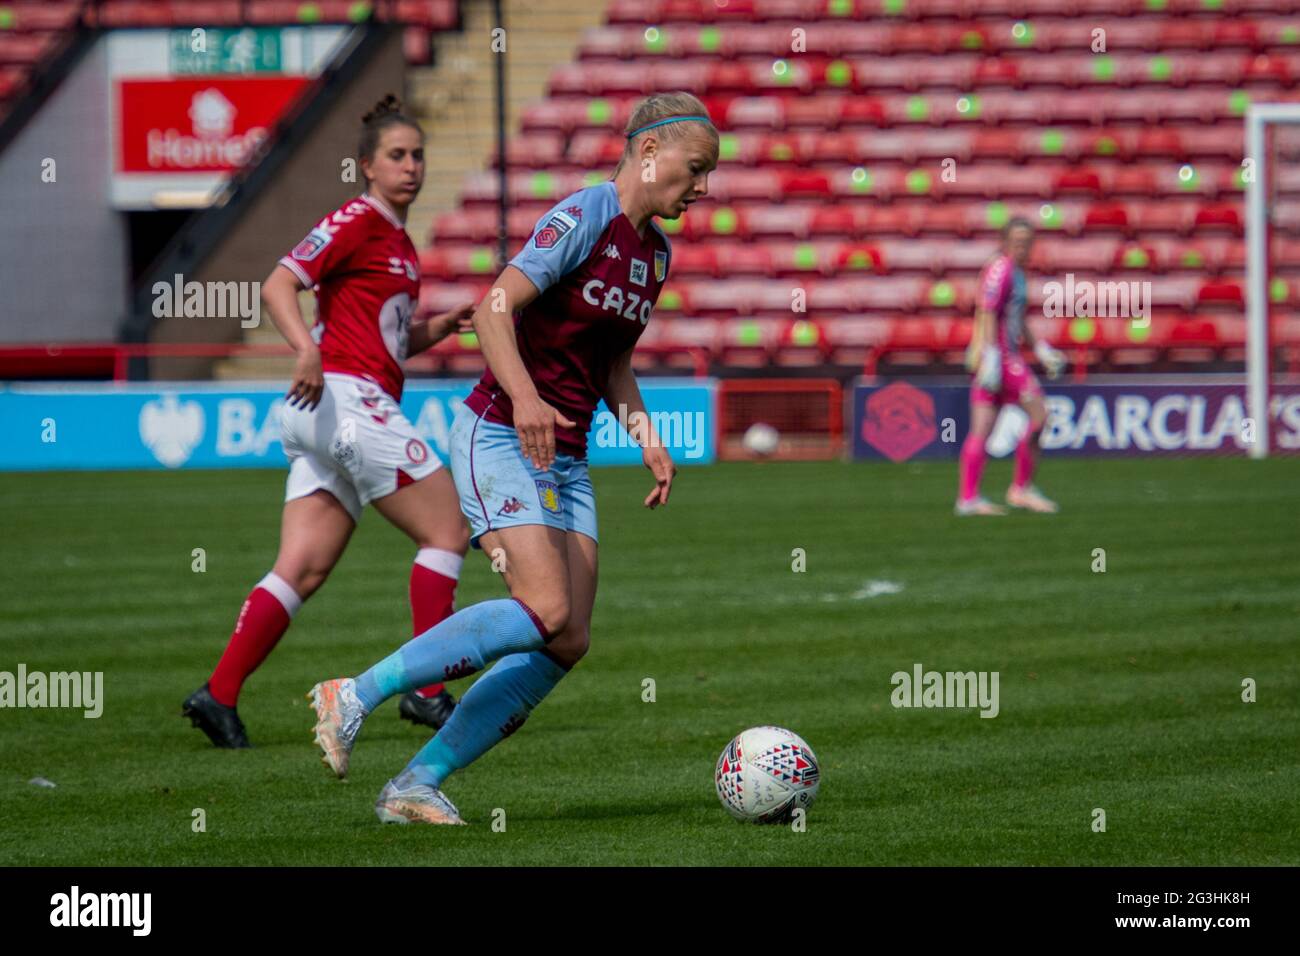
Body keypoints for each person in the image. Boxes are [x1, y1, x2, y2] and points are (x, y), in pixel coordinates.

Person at [306, 91, 719, 825]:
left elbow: (614, 361)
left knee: (569, 638)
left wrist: (649, 439)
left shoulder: (654, 255)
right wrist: (526, 399)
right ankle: (356, 693)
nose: (704, 188)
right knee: (545, 606)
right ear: (650, 154)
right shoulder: (584, 215)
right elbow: (496, 307)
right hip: (499, 431)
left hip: (566, 454)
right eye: (696, 169)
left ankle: (413, 786)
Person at [183, 96, 474, 747]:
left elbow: (385, 340)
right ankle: (426, 693)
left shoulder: (397, 241)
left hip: (329, 411)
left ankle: (218, 694)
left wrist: (438, 328)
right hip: (343, 397)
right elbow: (280, 282)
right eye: (396, 156)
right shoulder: (360, 219)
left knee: (303, 569)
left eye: (418, 155)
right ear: (366, 166)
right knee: (448, 529)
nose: (411, 166)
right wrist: (306, 348)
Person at [956, 218, 1067, 516]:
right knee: (1040, 415)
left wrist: (1040, 349)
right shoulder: (1001, 269)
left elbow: (1017, 318)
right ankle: (1021, 488)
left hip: (997, 359)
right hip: (1003, 359)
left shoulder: (1016, 272)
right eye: (1017, 241)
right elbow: (988, 312)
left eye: (1026, 242)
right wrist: (992, 357)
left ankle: (968, 498)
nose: (1022, 247)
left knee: (982, 429)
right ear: (1005, 241)